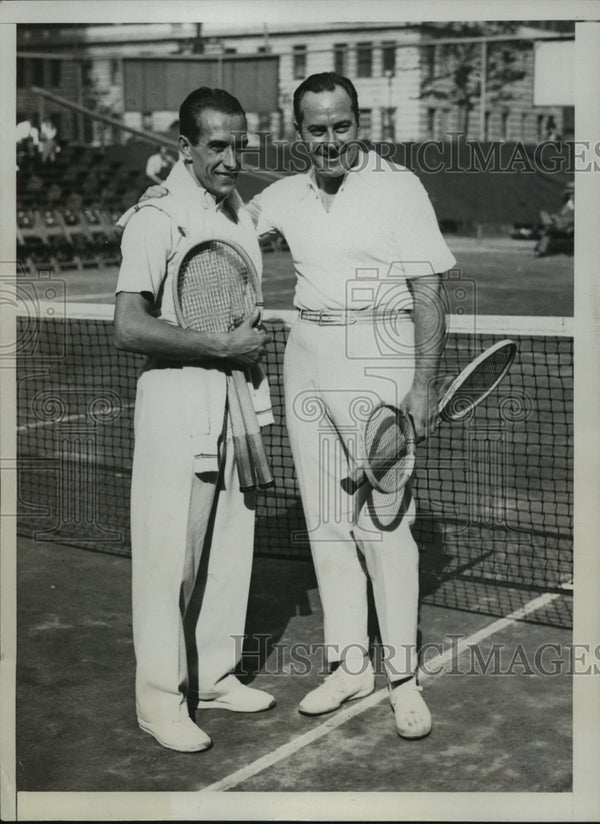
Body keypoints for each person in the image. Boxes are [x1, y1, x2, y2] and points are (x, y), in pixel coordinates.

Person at [137, 72, 457, 740]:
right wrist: (160, 192)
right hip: (306, 353)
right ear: (300, 132)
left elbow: (428, 292)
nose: (331, 141)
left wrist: (422, 389)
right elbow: (213, 226)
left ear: (359, 124)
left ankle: (400, 676)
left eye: (342, 126)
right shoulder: (282, 195)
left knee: (386, 523)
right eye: (317, 129)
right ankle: (348, 665)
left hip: (381, 352)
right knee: (327, 520)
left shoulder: (402, 187)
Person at [113, 87, 275, 754]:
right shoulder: (157, 218)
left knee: (230, 550)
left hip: (236, 400)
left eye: (240, 144)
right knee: (168, 561)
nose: (232, 157)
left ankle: (213, 675)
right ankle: (159, 701)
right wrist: (219, 345)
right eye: (217, 146)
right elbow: (128, 325)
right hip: (178, 404)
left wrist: (240, 339)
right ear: (185, 148)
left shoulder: (236, 212)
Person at [535, 182, 574, 257]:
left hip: (568, 227)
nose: (571, 196)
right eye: (570, 194)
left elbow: (571, 219)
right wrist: (555, 218)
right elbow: (561, 215)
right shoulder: (568, 204)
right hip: (561, 225)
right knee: (545, 219)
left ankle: (541, 249)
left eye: (573, 193)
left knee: (548, 229)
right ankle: (541, 249)